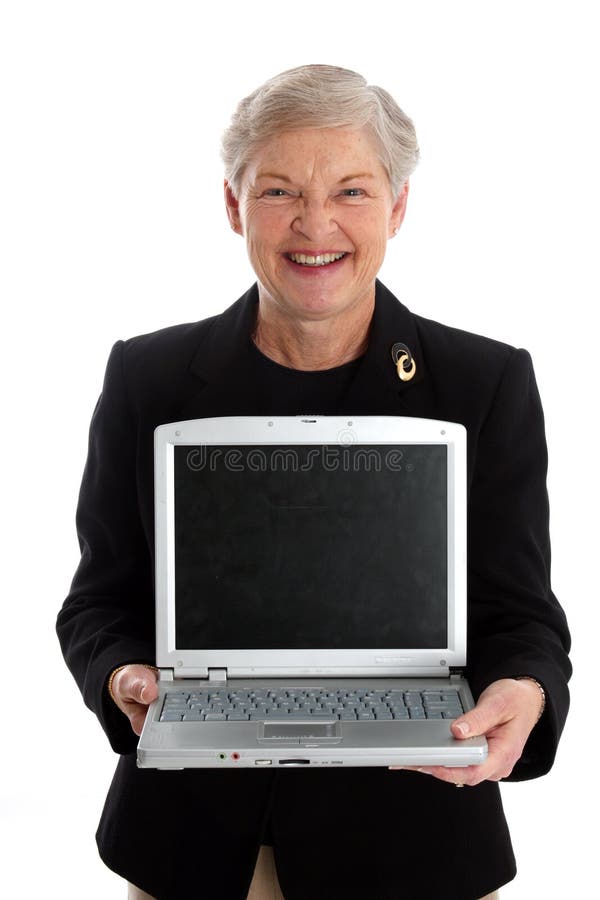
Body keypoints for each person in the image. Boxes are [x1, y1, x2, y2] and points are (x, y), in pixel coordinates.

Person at [57, 64, 571, 900]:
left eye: (353, 192)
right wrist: (122, 675)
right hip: (195, 842)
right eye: (279, 191)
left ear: (399, 208)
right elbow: (98, 602)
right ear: (233, 206)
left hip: (413, 841)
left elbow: (522, 615)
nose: (315, 224)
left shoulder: (484, 384)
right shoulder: (147, 380)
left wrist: (527, 690)